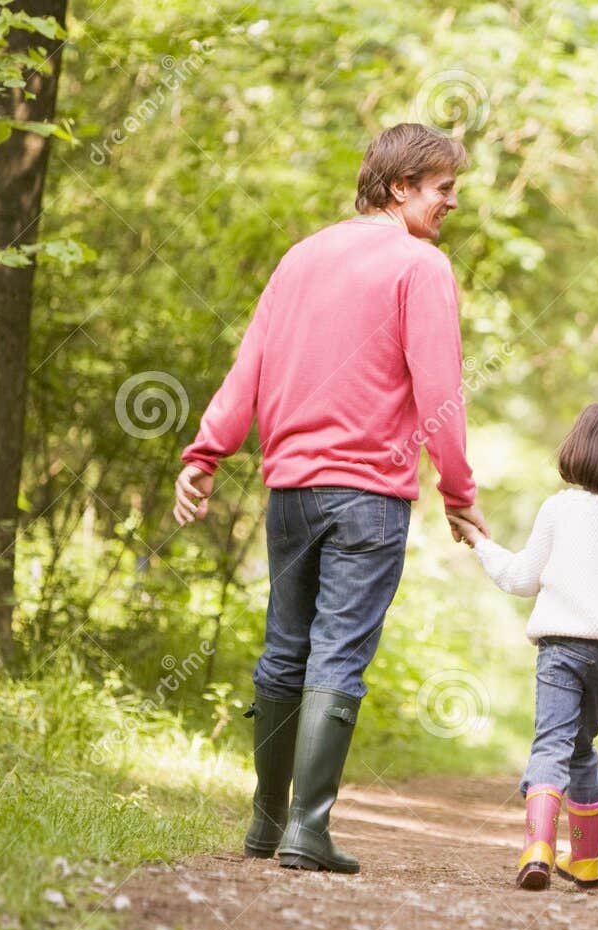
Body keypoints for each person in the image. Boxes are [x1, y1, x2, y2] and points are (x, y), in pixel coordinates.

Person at [172, 123, 490, 874]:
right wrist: (457, 488)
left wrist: (206, 449)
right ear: (400, 186)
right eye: (444, 188)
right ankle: (307, 829)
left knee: (285, 645)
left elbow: (250, 361)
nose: (452, 203)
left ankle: (265, 820)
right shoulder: (422, 266)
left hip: (290, 488)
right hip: (369, 494)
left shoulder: (302, 256)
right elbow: (441, 391)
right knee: (338, 649)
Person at [450, 404, 598, 891]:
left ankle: (538, 846)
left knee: (551, 744)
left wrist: (479, 543)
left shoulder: (559, 508)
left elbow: (520, 579)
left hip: (561, 649)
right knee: (581, 748)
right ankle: (586, 860)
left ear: (578, 448)